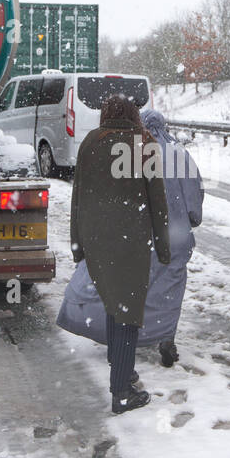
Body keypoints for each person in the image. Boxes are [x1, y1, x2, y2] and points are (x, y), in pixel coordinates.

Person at [57, 109, 203, 367]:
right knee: (167, 291)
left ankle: (117, 336)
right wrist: (189, 219)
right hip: (173, 237)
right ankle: (165, 340)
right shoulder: (180, 155)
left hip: (135, 235)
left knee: (126, 289)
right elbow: (194, 198)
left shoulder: (132, 153)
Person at [69, 95, 170, 414]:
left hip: (97, 239)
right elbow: (158, 200)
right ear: (133, 114)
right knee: (127, 311)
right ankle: (122, 391)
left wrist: (77, 243)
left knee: (115, 303)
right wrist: (164, 246)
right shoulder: (145, 142)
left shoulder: (90, 142)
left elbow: (78, 195)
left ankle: (119, 363)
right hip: (131, 241)